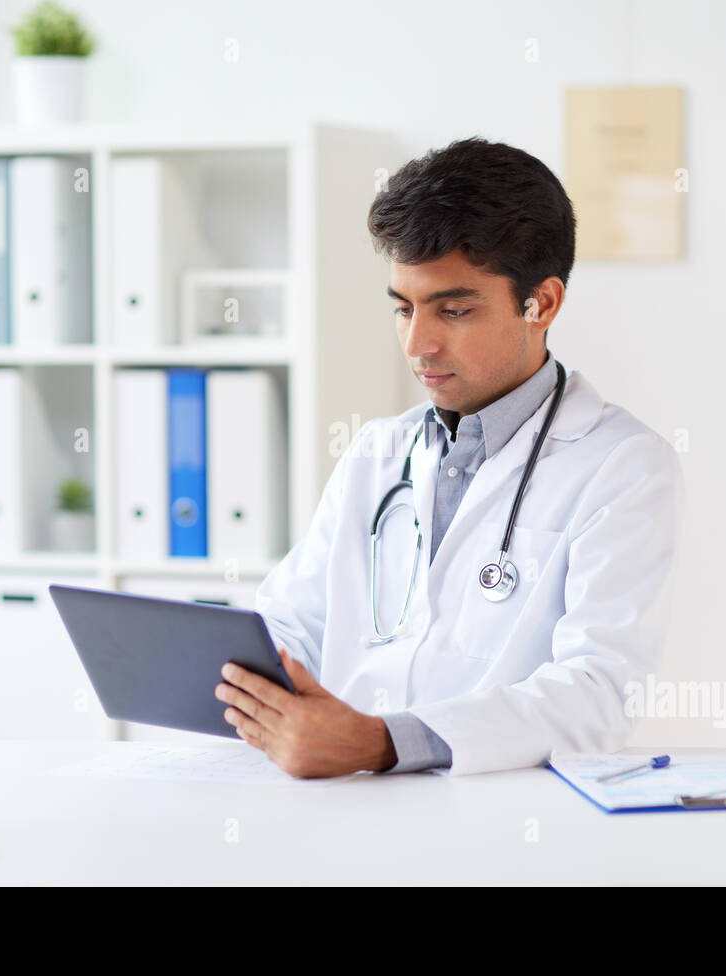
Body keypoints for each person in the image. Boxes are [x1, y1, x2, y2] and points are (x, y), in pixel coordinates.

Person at [213, 136, 682, 777]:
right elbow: (291, 625)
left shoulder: (623, 465)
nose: (418, 343)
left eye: (453, 310)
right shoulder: (379, 453)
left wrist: (386, 741)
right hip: (350, 807)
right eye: (403, 309)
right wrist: (236, 675)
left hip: (508, 826)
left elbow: (596, 694)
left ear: (540, 303)